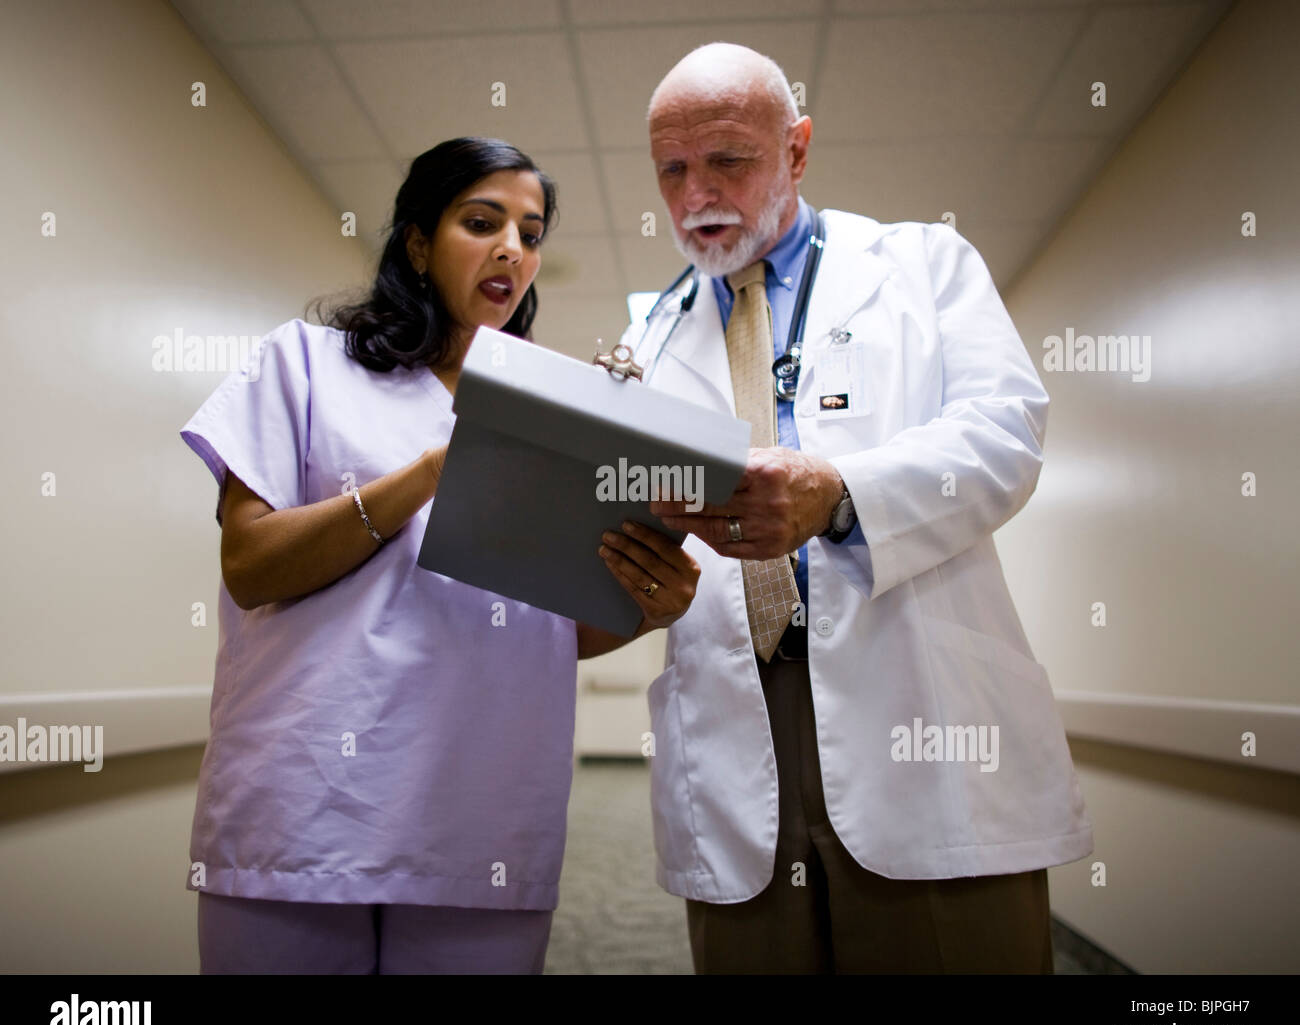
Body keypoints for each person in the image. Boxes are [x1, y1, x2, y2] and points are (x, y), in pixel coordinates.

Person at [618, 43, 1094, 974]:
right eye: (671, 169)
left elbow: (1006, 434)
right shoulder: (648, 335)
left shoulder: (921, 265)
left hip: (916, 703)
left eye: (728, 159)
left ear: (796, 150)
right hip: (732, 717)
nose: (695, 194)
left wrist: (839, 494)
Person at [179, 136, 699, 975]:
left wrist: (642, 609)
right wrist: (427, 473)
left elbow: (541, 632)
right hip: (306, 804)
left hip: (481, 812)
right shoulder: (305, 364)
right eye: (482, 222)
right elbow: (251, 564)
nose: (512, 250)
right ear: (418, 243)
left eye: (531, 234)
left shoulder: (554, 407)